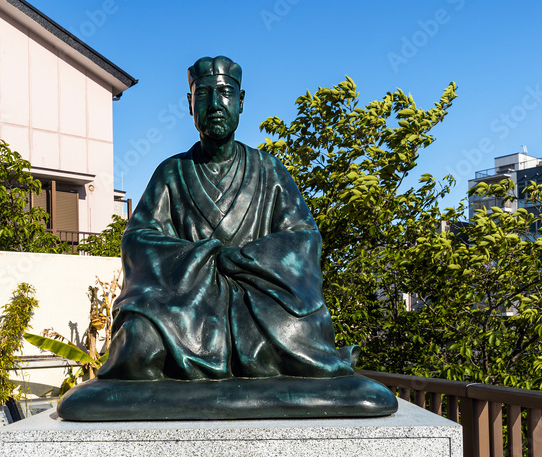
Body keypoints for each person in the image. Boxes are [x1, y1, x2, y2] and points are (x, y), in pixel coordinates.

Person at [59, 56, 395, 420]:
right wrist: (206, 258)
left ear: (241, 101)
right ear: (190, 104)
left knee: (295, 331)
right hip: (187, 304)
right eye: (203, 94)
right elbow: (138, 239)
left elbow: (303, 238)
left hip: (259, 299)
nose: (215, 104)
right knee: (140, 344)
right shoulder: (171, 173)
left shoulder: (269, 169)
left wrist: (244, 260)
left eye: (225, 93)